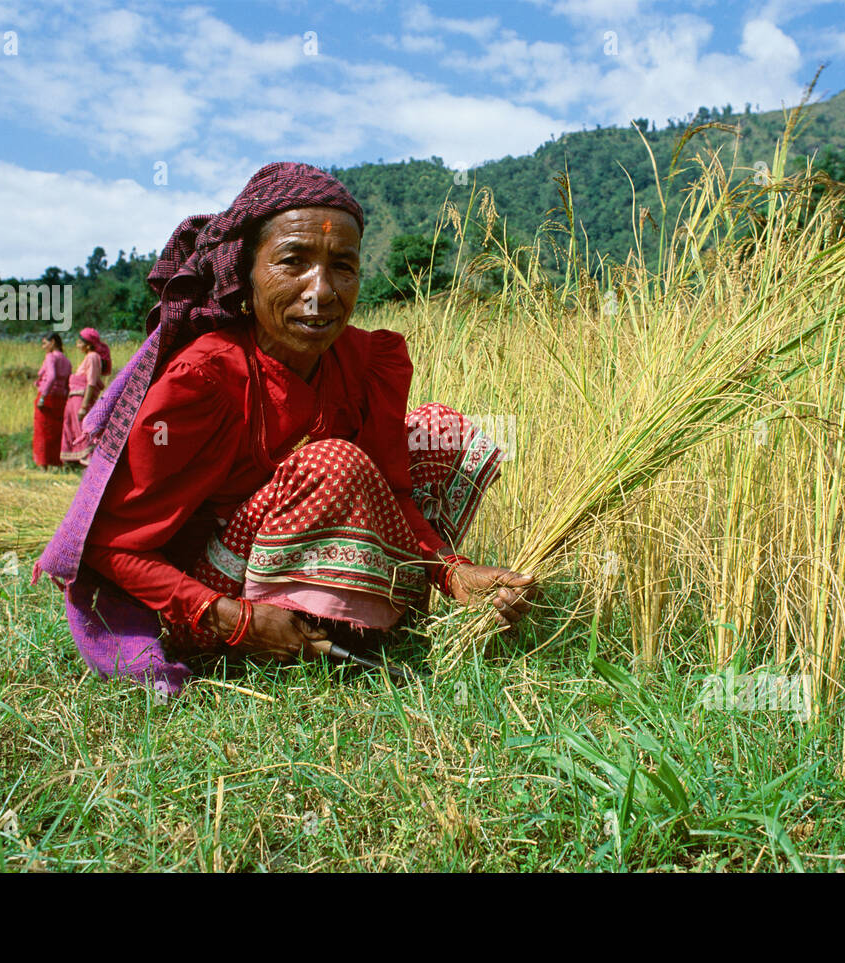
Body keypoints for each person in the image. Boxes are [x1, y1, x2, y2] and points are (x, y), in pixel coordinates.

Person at [34, 162, 534, 694]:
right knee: (332, 462)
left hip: (283, 545)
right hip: (205, 596)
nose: (321, 291)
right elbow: (111, 547)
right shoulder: (203, 380)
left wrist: (454, 572)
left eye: (343, 266)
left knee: (441, 431)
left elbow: (394, 490)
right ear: (246, 274)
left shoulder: (366, 361)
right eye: (292, 262)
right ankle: (304, 621)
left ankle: (378, 608)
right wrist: (232, 618)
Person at [59, 327, 110, 467]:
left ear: (88, 344)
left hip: (81, 400)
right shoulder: (88, 357)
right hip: (74, 399)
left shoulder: (93, 357)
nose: (77, 345)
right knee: (72, 429)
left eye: (79, 342)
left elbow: (91, 383)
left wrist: (83, 406)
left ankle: (89, 463)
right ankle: (73, 462)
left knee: (82, 430)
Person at [32, 333, 71, 468]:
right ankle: (56, 461)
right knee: (56, 431)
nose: (43, 347)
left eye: (45, 343)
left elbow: (52, 376)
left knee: (42, 430)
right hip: (61, 398)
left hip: (48, 397)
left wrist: (43, 396)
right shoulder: (66, 360)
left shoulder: (50, 357)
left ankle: (43, 462)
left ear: (53, 342)